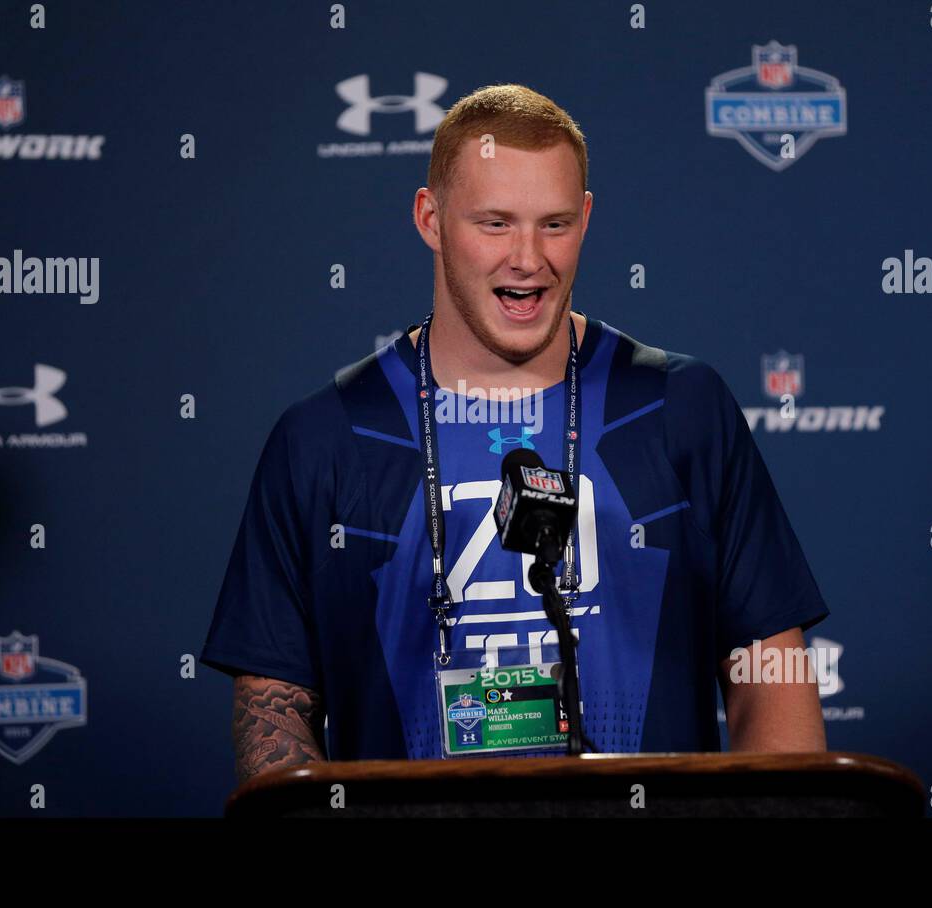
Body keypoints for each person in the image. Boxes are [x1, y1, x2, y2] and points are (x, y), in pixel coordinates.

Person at [201, 84, 829, 783]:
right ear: (430, 219)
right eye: (494, 224)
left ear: (586, 218)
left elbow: (769, 674)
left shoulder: (680, 407)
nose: (528, 259)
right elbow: (273, 714)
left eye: (554, 224)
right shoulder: (325, 437)